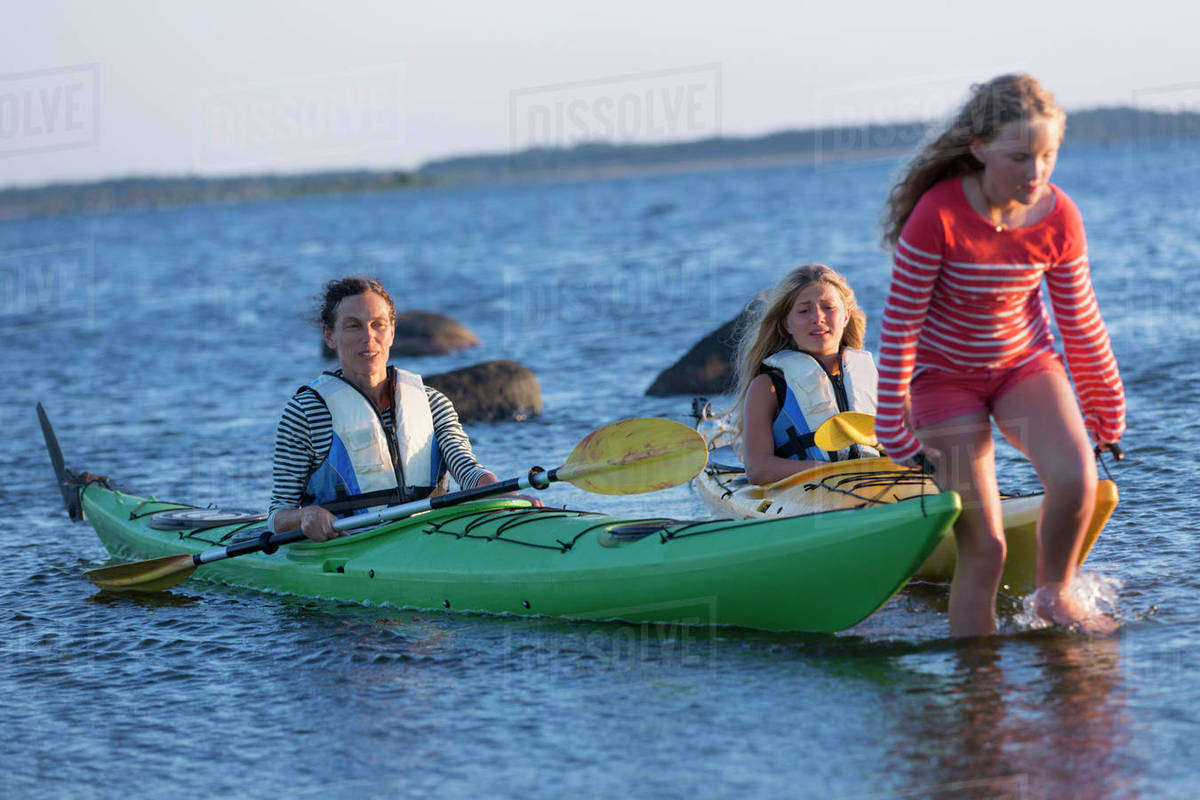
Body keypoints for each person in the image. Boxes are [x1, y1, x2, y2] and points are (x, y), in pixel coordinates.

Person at [877, 74, 1125, 636]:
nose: (1036, 173)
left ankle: (1054, 596)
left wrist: (1104, 407)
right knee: (984, 548)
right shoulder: (935, 217)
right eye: (1020, 157)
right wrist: (892, 425)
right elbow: (899, 330)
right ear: (980, 148)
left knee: (1077, 478)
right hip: (944, 384)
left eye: (1047, 155)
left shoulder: (1059, 216)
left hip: (1024, 367)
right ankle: (977, 692)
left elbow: (1079, 321)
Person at [268, 276, 536, 542]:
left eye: (378, 325)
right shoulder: (306, 411)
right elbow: (278, 513)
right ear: (329, 335)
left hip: (433, 535)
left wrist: (507, 496)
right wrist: (306, 516)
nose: (368, 337)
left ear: (392, 332)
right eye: (353, 326)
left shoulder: (433, 403)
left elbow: (468, 470)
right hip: (349, 544)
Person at [731, 263, 879, 486]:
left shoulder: (876, 378)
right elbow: (758, 469)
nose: (818, 317)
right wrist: (831, 471)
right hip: (805, 493)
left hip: (878, 483)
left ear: (846, 316)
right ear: (786, 324)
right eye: (804, 310)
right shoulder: (768, 387)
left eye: (828, 307)